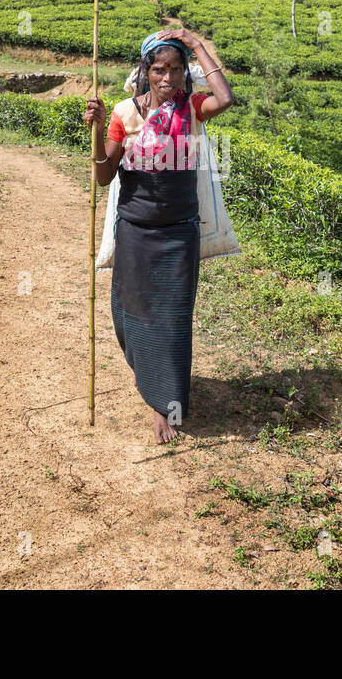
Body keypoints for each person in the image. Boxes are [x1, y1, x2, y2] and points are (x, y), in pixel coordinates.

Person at [81, 27, 235, 442]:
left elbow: (227, 98)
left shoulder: (194, 107)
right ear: (145, 71)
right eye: (158, 70)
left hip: (179, 231)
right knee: (131, 316)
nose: (167, 79)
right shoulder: (124, 114)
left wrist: (198, 45)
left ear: (186, 74)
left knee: (173, 318)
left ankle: (165, 403)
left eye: (176, 70)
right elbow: (102, 176)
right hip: (136, 230)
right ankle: (151, 384)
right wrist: (97, 129)